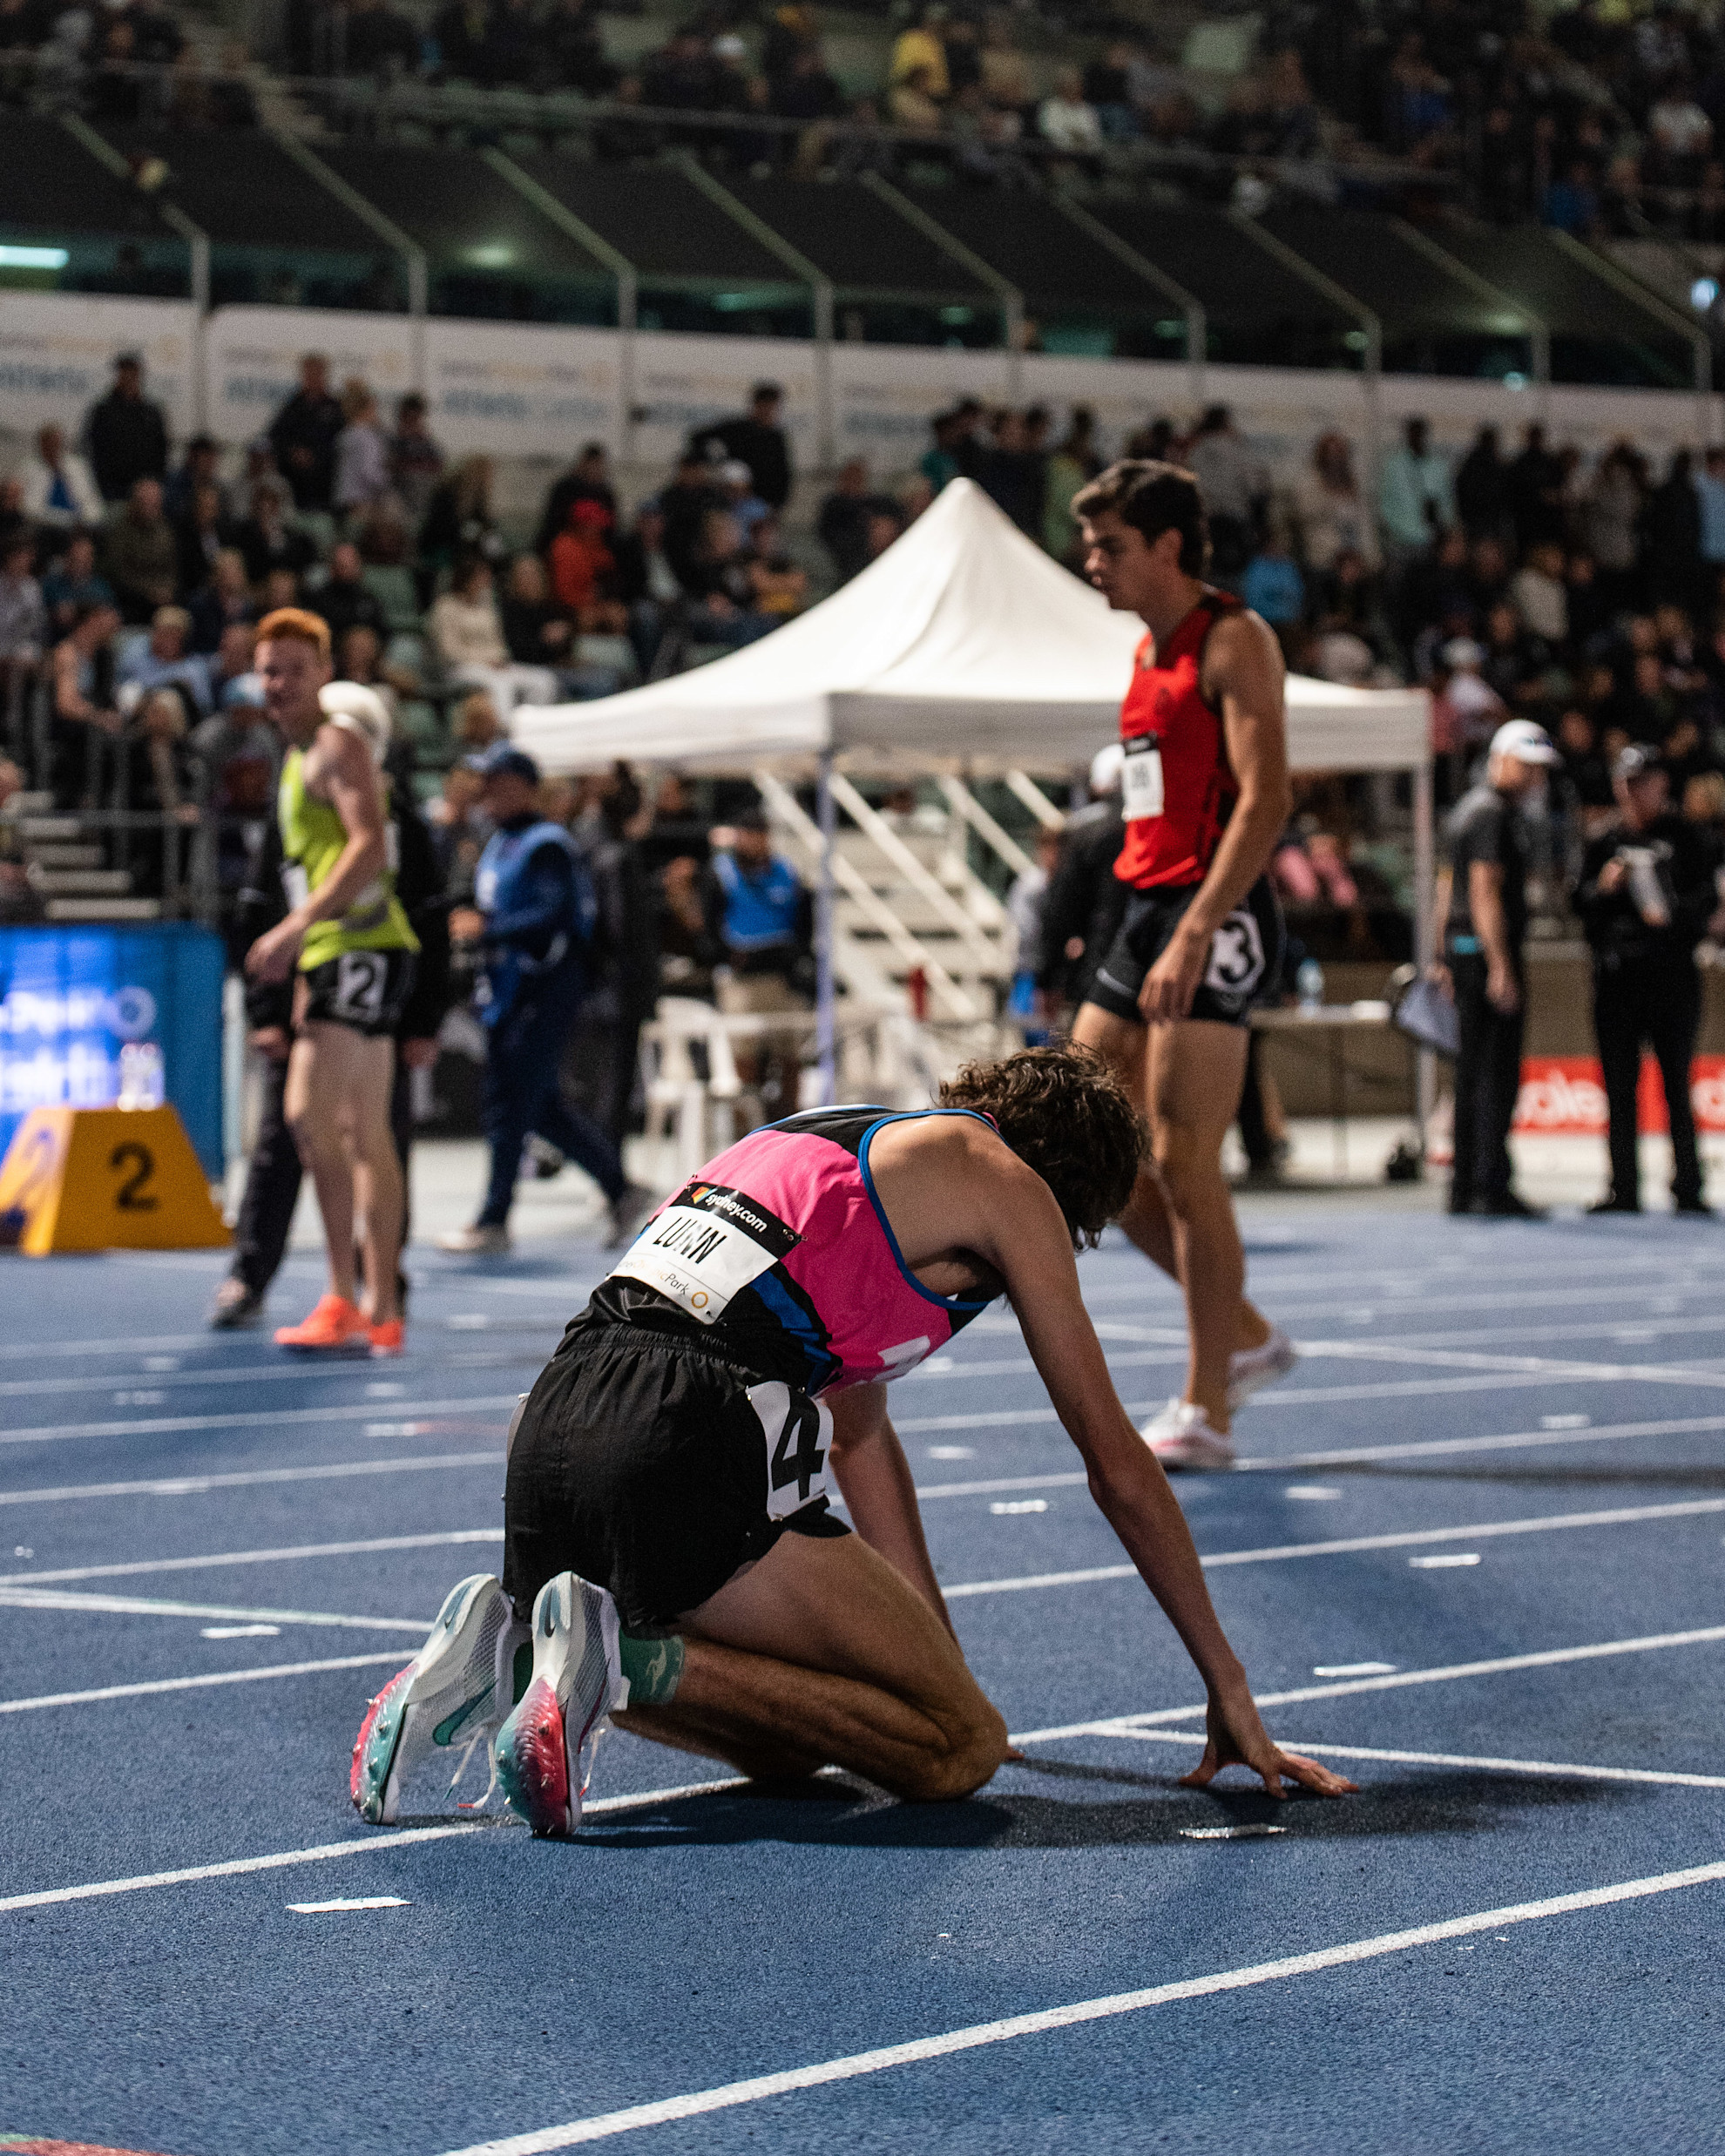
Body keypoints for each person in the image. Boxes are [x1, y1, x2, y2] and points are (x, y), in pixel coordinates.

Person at [349, 1044, 1356, 1833]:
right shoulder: (1003, 1179)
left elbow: (860, 1438)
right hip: (686, 1430)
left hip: (555, 1421)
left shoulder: (831, 1146)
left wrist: (932, 1655)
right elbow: (1115, 1464)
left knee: (809, 1738)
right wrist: (1226, 1682)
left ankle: (528, 1653)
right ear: (1069, 1184)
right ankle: (613, 1662)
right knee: (958, 1750)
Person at [1067, 461, 1298, 1474]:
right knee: (1085, 1139)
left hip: (1218, 903)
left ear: (1168, 546)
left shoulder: (1234, 639)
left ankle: (1209, 1402)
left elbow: (1266, 799)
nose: (1092, 564)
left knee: (1186, 1154)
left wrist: (1202, 927)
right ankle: (1245, 1329)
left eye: (1110, 545)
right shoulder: (1142, 654)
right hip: (1144, 900)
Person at [212, 686, 450, 1328]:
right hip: (332, 963)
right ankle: (360, 1294)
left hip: (351, 955)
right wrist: (270, 1001)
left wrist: (423, 1013)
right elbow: (272, 889)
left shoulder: (370, 793)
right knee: (342, 1131)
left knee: (324, 1123)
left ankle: (357, 1289)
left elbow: (409, 893)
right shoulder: (300, 776)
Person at [243, 609, 419, 1354]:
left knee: (308, 1113)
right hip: (350, 950)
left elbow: (369, 847)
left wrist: (292, 928)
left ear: (323, 673)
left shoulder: (334, 744)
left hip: (357, 943)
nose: (278, 682)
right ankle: (379, 1305)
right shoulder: (294, 756)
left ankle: (347, 1294)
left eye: (292, 668)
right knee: (358, 1129)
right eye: (268, 669)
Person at [437, 744, 648, 1256]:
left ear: (525, 786)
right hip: (507, 989)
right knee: (537, 1108)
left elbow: (554, 916)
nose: (487, 791)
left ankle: (494, 1216)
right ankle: (622, 1190)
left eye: (498, 781)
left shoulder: (545, 844)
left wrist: (487, 931)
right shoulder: (498, 841)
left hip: (542, 990)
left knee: (510, 1105)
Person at [1574, 744, 1716, 1215]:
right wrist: (1604, 888)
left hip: (1671, 975)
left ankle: (1688, 1184)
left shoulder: (1685, 838)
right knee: (1619, 1086)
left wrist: (1671, 916)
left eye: (1644, 782)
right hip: (1618, 979)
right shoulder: (1603, 839)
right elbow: (1579, 905)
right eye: (1627, 783)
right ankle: (1623, 1186)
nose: (1635, 793)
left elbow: (1706, 906)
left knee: (1677, 1082)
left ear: (1662, 784)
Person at [1438, 716, 1559, 1219]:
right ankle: (1490, 1182)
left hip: (1463, 949)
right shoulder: (1493, 815)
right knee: (1494, 1072)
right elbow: (1484, 891)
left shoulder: (1468, 810)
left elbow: (1448, 888)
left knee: (1471, 1071)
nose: (1535, 778)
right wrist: (1500, 965)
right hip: (1484, 953)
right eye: (1527, 766)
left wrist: (1441, 954)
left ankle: (1465, 1182)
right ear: (1502, 760)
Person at [701, 805, 813, 1123]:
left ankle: (790, 1123)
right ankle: (748, 1127)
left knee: (790, 1054)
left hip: (781, 979)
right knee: (745, 1057)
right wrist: (728, 957)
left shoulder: (787, 872)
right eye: (747, 836)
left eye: (759, 836)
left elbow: (804, 924)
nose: (754, 843)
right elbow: (709, 928)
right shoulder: (721, 873)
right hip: (740, 981)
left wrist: (795, 958)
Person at [690, 382, 792, 514]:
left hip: (765, 503)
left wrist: (778, 503)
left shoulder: (777, 437)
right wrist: (715, 464)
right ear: (756, 405)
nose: (769, 412)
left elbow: (783, 472)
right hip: (734, 501)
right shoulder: (736, 428)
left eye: (773, 408)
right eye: (766, 407)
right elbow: (698, 438)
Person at [83, 352, 169, 504]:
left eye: (133, 372)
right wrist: (103, 485)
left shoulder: (152, 413)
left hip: (146, 494)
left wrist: (153, 484)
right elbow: (93, 449)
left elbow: (161, 451)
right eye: (125, 372)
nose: (129, 377)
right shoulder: (103, 411)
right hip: (111, 492)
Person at [268, 355, 345, 515]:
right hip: (296, 485)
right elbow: (276, 437)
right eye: (309, 374)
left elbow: (343, 444)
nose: (312, 378)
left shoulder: (335, 408)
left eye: (317, 373)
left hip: (326, 487)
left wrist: (317, 456)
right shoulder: (292, 406)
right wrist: (293, 453)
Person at [20, 424, 103, 532]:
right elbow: (29, 508)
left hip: (80, 527)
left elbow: (91, 500)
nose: (54, 448)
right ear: (41, 445)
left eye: (57, 444)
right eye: (49, 444)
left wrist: (87, 521)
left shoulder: (78, 467)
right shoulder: (27, 468)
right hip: (43, 527)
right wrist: (65, 521)